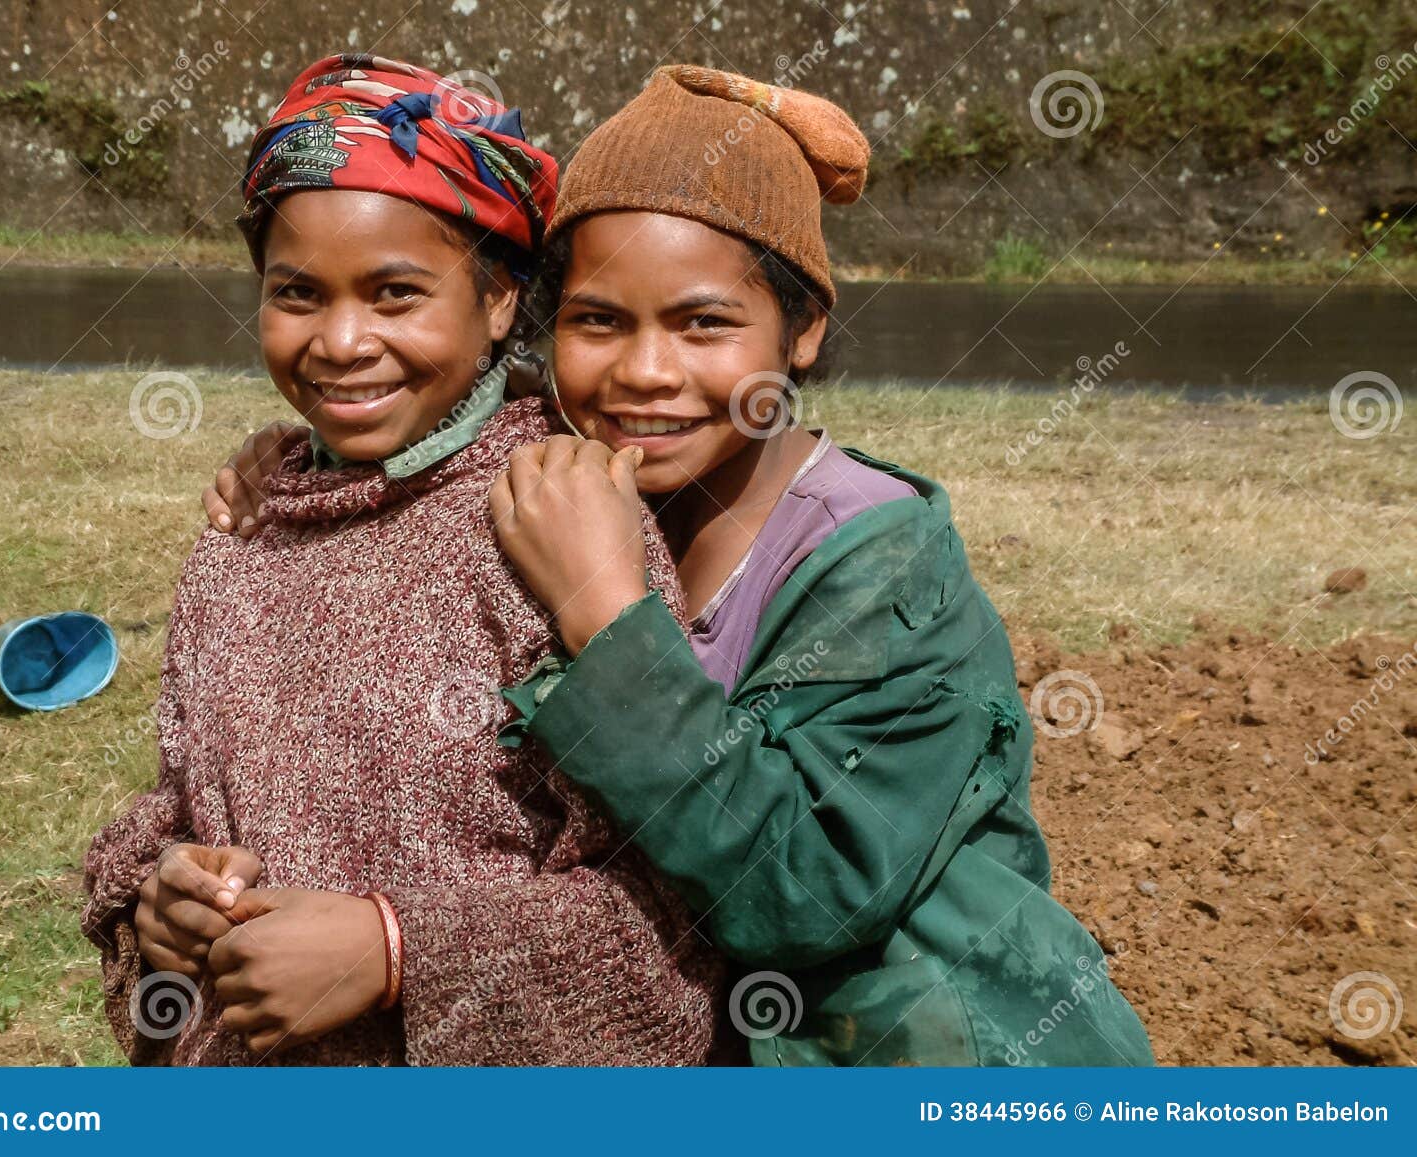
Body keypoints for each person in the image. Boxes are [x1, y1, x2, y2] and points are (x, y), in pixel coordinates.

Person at [203, 66, 1154, 1067]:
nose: (644, 373)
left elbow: (803, 889)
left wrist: (607, 614)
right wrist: (307, 463)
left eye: (703, 323)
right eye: (597, 320)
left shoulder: (878, 569)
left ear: (804, 328)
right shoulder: (577, 481)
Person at [81, 53, 720, 1067]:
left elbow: (667, 914)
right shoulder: (246, 537)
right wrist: (164, 897)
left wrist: (398, 950)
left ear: (501, 300)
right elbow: (185, 799)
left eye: (394, 293)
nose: (340, 340)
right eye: (297, 292)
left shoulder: (556, 522)